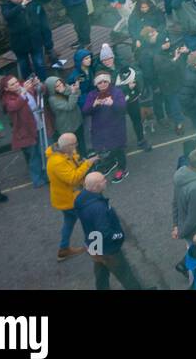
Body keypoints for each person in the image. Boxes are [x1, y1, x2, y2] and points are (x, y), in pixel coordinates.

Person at [75, 172, 142, 290]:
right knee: (125, 274)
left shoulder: (80, 198)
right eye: (102, 180)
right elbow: (105, 232)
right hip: (108, 249)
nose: (106, 180)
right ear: (96, 187)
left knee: (101, 273)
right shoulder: (99, 208)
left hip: (94, 244)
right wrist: (120, 235)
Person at [46, 133, 98, 261]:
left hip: (66, 198)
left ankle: (64, 250)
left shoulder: (65, 151)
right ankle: (95, 248)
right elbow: (73, 179)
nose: (76, 146)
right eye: (74, 144)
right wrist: (88, 164)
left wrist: (82, 161)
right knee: (90, 221)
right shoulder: (57, 162)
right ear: (67, 146)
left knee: (69, 222)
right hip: (70, 199)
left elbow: (74, 161)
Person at [82, 71, 129, 183]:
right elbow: (85, 111)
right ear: (96, 84)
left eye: (105, 81)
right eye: (100, 82)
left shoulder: (116, 92)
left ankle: (122, 169)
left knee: (118, 148)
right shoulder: (92, 94)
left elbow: (123, 108)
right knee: (105, 148)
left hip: (116, 127)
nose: (102, 84)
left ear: (109, 81)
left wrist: (112, 103)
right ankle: (111, 163)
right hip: (100, 129)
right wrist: (93, 105)